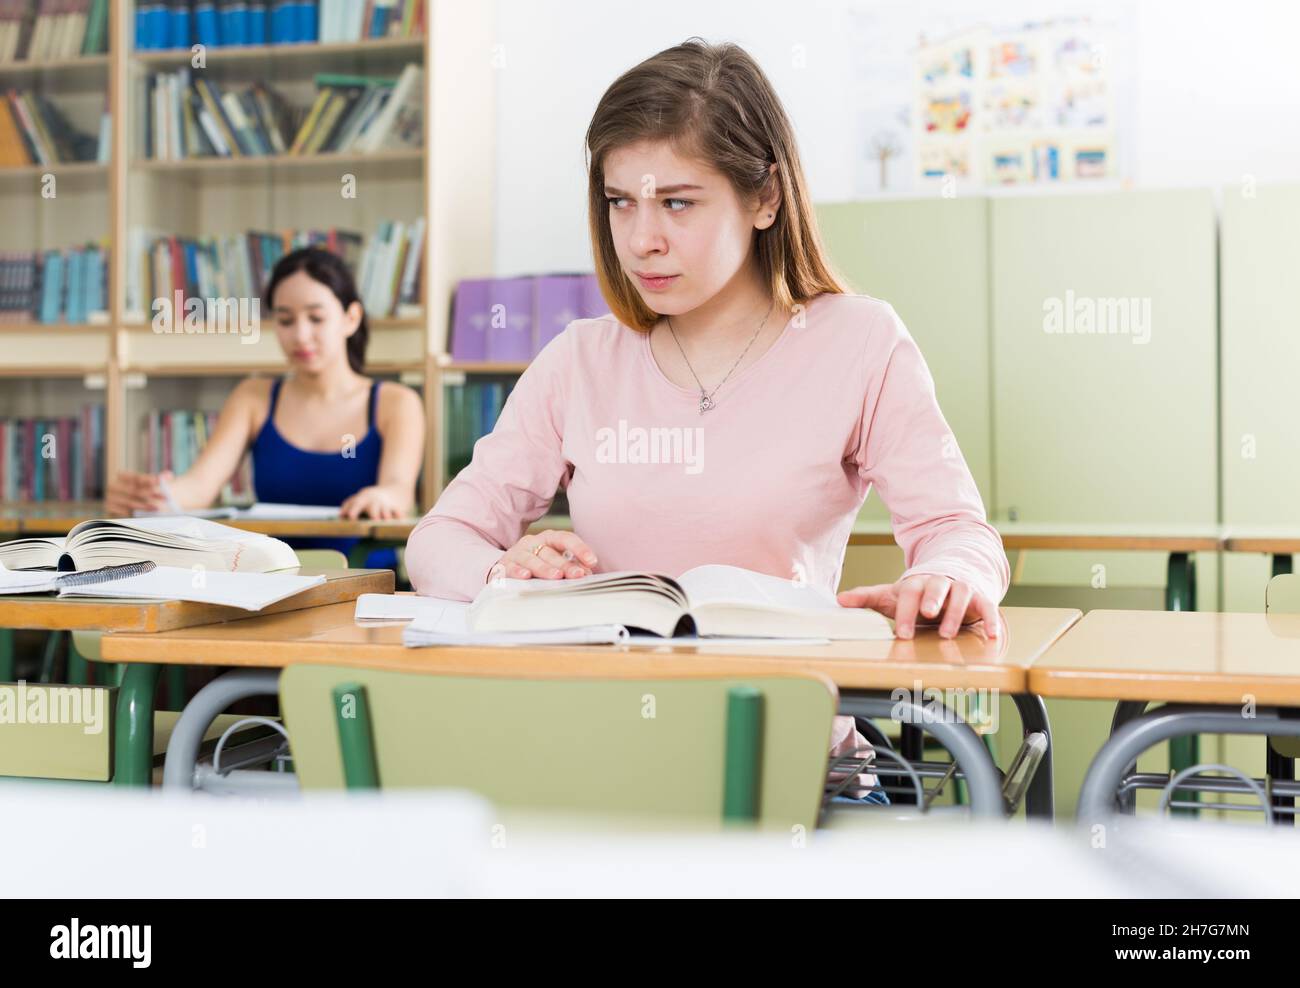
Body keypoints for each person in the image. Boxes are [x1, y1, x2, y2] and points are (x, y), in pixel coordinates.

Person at [406, 39, 1011, 803]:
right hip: (601, 759)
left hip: (796, 769)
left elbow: (959, 528)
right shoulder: (579, 360)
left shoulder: (860, 341)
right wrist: (502, 571)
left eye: (677, 203)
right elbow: (437, 540)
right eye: (620, 202)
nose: (641, 238)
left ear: (765, 198)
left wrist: (947, 579)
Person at [106, 246, 425, 556]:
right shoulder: (254, 397)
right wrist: (150, 496)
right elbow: (200, 487)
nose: (300, 335)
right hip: (273, 580)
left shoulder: (396, 403)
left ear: (351, 318)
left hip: (367, 583)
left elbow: (399, 490)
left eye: (316, 318)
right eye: (286, 321)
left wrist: (383, 497)